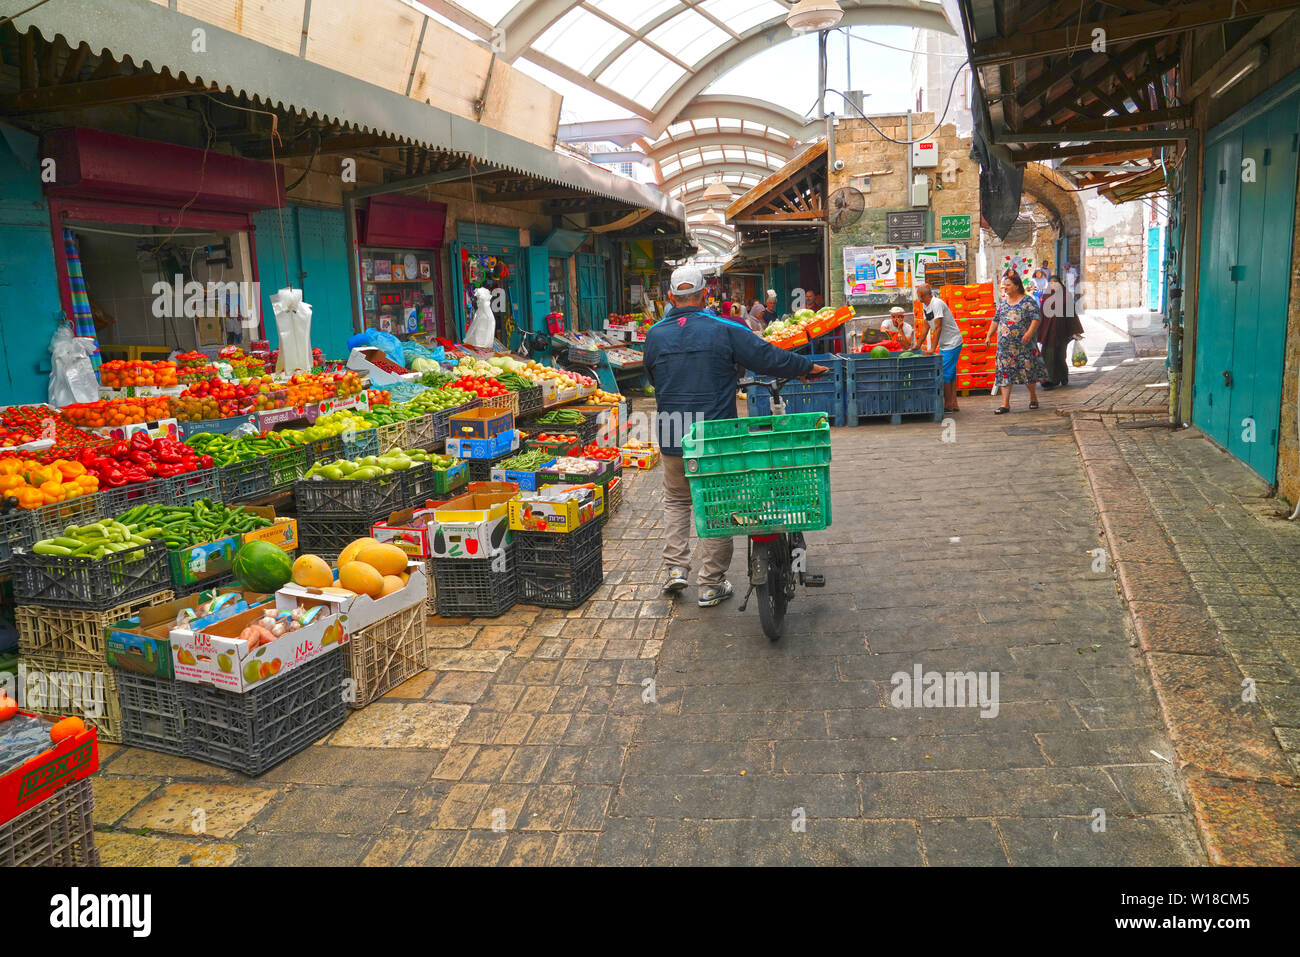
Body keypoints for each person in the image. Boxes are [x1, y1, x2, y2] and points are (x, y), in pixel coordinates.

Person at [644, 264, 828, 607]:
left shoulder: (655, 334)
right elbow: (766, 357)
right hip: (714, 433)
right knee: (716, 506)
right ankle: (711, 584)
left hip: (672, 429)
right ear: (704, 297)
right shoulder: (724, 328)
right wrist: (807, 367)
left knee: (677, 500)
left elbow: (653, 377)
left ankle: (675, 570)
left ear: (670, 297)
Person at [985, 272, 1048, 413]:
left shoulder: (1027, 301)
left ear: (1017, 286)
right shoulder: (1003, 303)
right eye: (1004, 285)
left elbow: (1036, 318)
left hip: (1023, 346)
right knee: (1004, 373)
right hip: (1004, 347)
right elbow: (996, 320)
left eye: (1008, 285)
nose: (1004, 287)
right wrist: (989, 335)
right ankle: (1005, 404)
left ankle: (1033, 397)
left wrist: (1029, 333)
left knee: (1028, 372)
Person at [918, 284, 963, 413]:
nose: (917, 297)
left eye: (918, 294)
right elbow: (926, 326)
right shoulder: (925, 306)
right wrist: (919, 344)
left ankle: (948, 404)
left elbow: (938, 326)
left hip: (952, 342)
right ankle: (953, 403)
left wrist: (932, 348)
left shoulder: (936, 303)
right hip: (945, 344)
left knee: (944, 374)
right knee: (951, 373)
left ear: (922, 295)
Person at [1037, 275, 1084, 389]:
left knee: (1060, 356)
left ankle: (1062, 376)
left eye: (1055, 282)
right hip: (1048, 332)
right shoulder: (1046, 296)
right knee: (1047, 355)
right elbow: (1042, 315)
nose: (1053, 284)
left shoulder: (1065, 296)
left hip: (1061, 331)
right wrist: (1038, 330)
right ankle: (1049, 380)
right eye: (1051, 282)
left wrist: (1075, 330)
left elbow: (1071, 315)